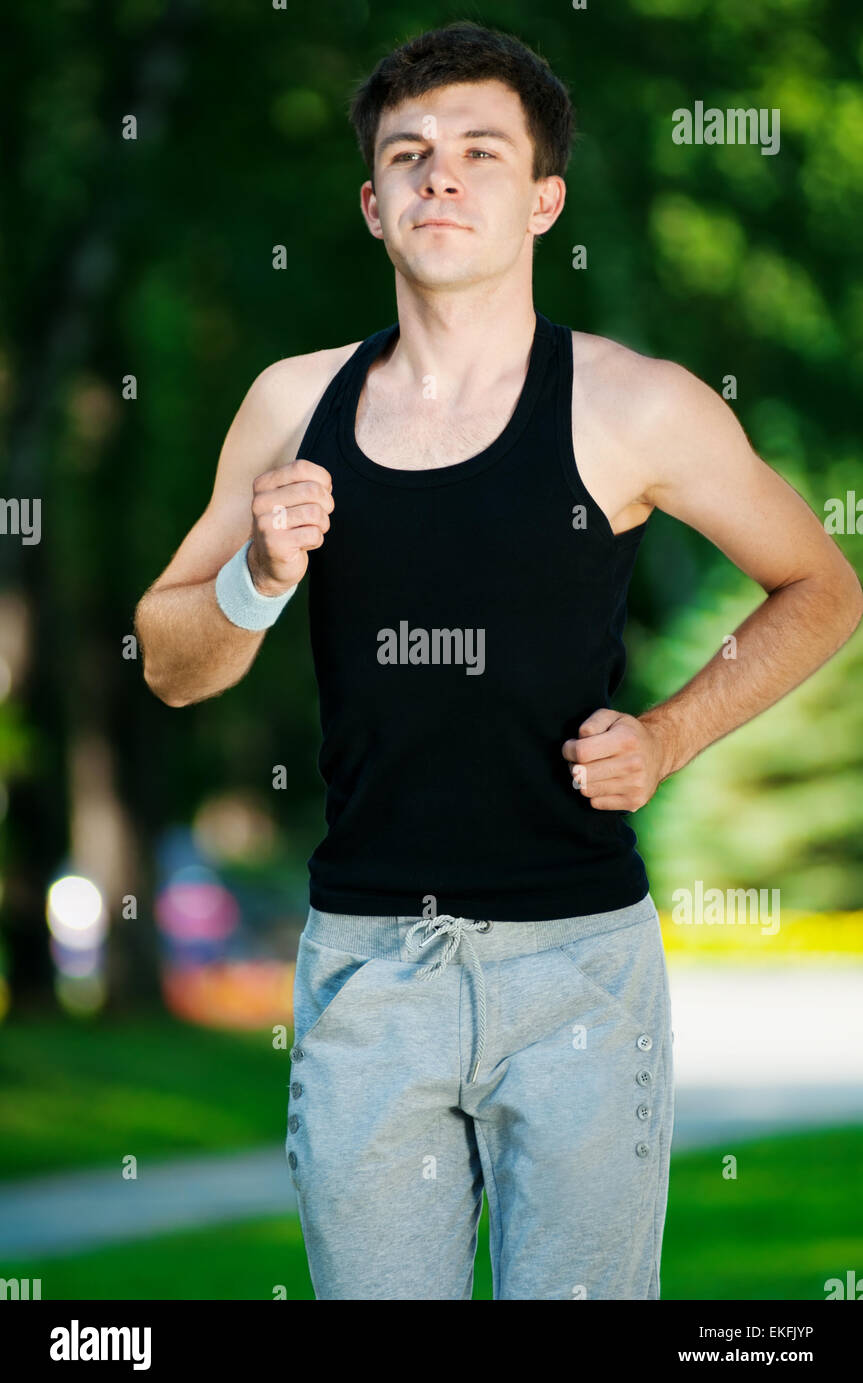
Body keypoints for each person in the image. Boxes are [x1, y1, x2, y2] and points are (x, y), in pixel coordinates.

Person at [134, 22, 862, 1300]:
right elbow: (170, 661)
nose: (440, 176)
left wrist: (671, 735)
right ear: (371, 205)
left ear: (543, 198)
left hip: (577, 964)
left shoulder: (635, 404)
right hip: (367, 972)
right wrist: (256, 574)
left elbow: (821, 585)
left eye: (479, 150)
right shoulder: (289, 407)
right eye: (407, 155)